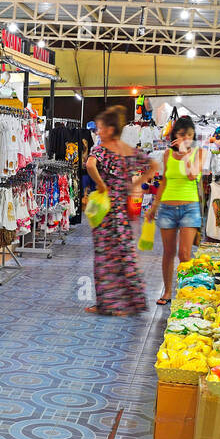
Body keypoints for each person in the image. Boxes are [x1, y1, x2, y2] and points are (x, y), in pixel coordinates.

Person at [85, 106, 158, 316]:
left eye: (100, 128)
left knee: (104, 259)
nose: (98, 132)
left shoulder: (100, 150)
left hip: (106, 213)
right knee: (125, 256)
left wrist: (100, 185)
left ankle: (107, 304)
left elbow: (90, 166)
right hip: (123, 212)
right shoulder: (128, 151)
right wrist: (136, 185)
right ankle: (129, 304)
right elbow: (153, 166)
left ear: (109, 129)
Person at [146, 115, 203, 304]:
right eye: (182, 135)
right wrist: (153, 206)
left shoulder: (198, 152)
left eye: (189, 135)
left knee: (185, 254)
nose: (186, 138)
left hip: (190, 207)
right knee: (168, 252)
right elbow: (164, 182)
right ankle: (167, 292)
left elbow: (192, 175)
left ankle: (186, 293)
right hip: (167, 208)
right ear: (174, 136)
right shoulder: (167, 154)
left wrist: (186, 152)